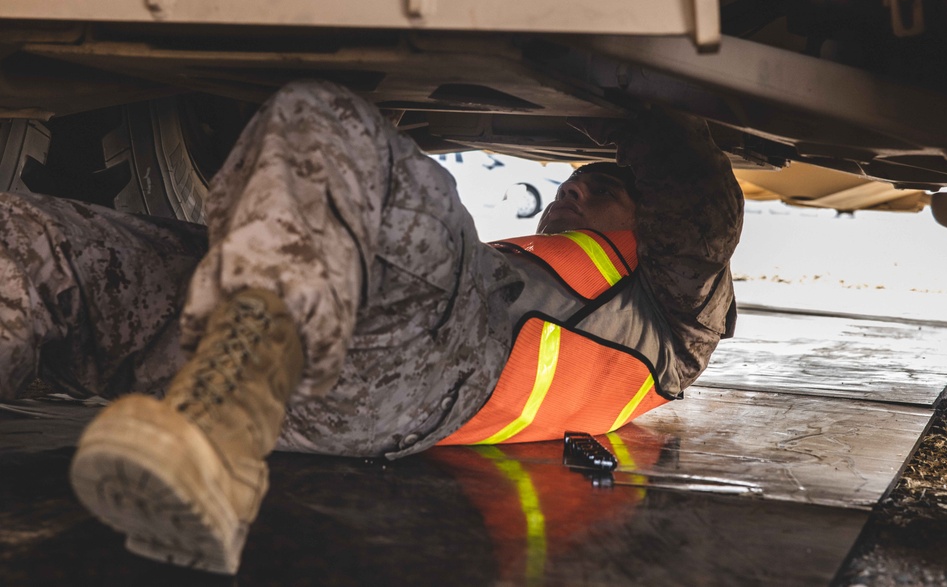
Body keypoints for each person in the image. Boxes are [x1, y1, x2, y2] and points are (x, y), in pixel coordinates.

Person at [0, 81, 743, 574]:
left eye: (602, 187)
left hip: (441, 351)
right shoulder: (584, 288)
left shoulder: (681, 315)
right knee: (37, 250)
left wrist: (631, 96)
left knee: (323, 122)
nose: (572, 187)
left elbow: (702, 201)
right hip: (339, 382)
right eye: (570, 183)